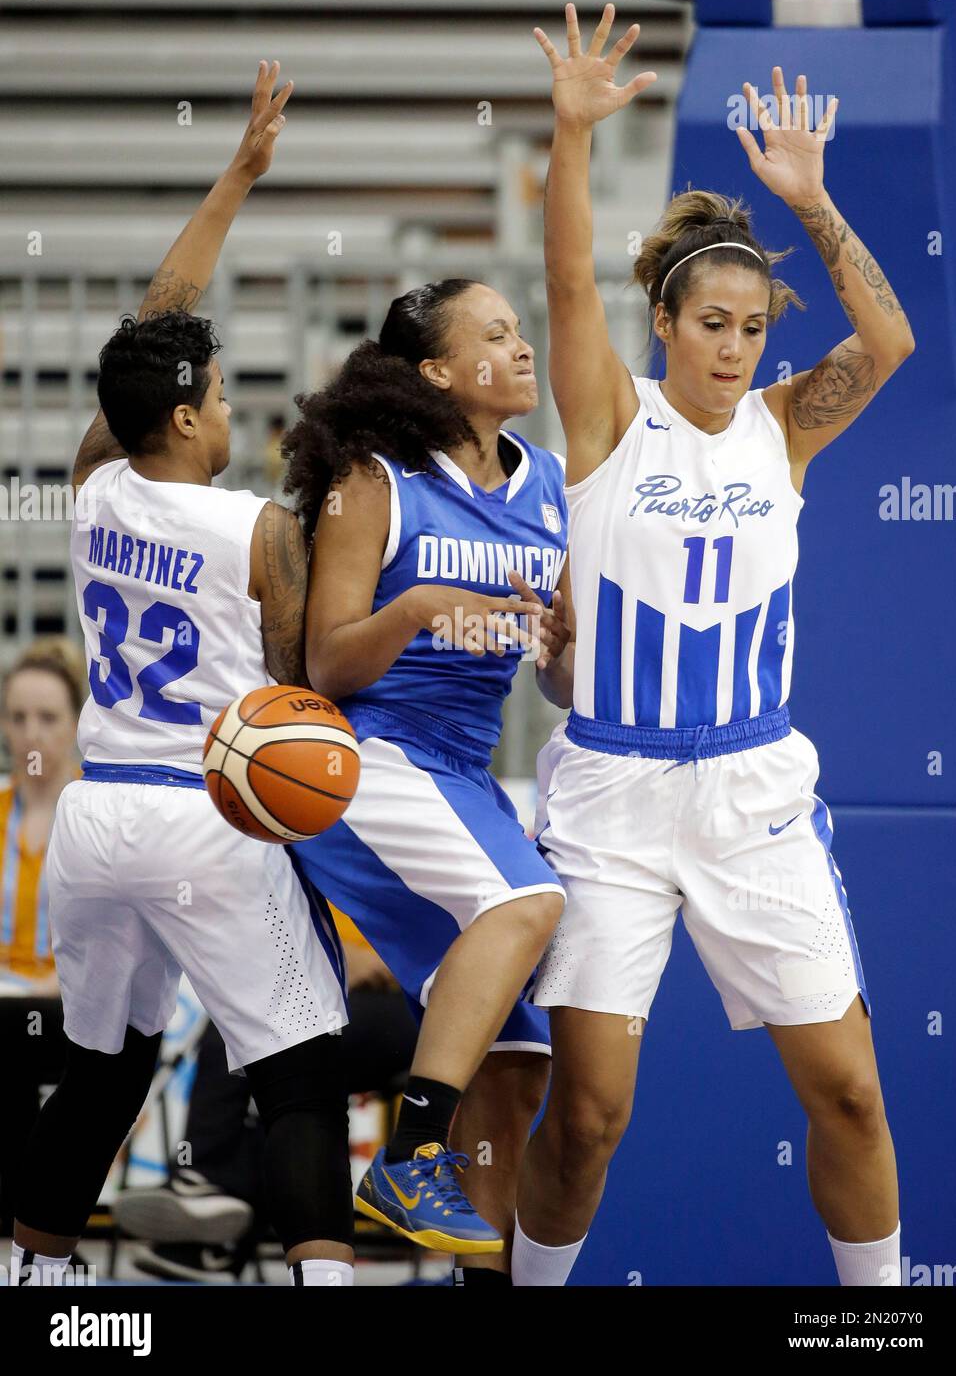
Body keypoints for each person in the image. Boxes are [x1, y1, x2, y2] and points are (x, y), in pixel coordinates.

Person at [513, 5, 915, 1287]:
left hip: (751, 791)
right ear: (667, 326)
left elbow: (891, 341)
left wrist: (810, 200)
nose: (735, 348)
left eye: (751, 327)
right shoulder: (605, 417)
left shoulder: (784, 425)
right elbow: (568, 280)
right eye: (711, 325)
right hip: (613, 790)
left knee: (848, 1091)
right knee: (588, 1117)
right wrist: (571, 134)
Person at [9, 62, 356, 1290]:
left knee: (103, 1071)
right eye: (215, 395)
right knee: (303, 1072)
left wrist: (235, 177)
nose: (228, 405)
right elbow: (297, 682)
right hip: (213, 812)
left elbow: (142, 343)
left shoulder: (97, 481)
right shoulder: (258, 527)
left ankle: (31, 1285)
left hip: (99, 820)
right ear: (191, 419)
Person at [281, 279, 574, 1278]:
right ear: (440, 372)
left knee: (519, 1065)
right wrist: (418, 611)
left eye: (520, 327)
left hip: (462, 772)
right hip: (369, 758)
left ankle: (474, 1271)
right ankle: (408, 1152)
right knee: (531, 899)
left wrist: (564, 641)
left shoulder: (550, 487)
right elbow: (326, 664)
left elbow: (559, 677)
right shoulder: (377, 479)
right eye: (496, 333)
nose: (523, 345)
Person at [114, 911, 418, 1284]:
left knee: (276, 1040)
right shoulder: (292, 858)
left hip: (403, 999)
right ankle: (214, 1232)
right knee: (243, 1025)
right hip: (320, 985)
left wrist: (353, 959)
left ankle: (210, 1192)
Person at [0, 640, 85, 1235]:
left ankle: (25, 1229)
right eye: (18, 717)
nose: (32, 735)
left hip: (74, 1010)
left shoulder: (97, 815)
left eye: (49, 718)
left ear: (78, 723)